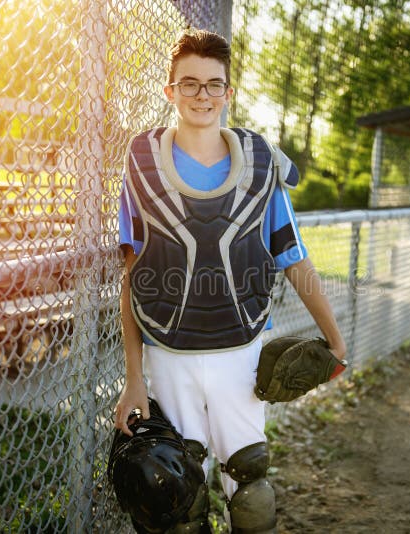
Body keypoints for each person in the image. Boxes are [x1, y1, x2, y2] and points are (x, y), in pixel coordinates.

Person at [114, 28, 346, 533]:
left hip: (239, 352)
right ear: (169, 91)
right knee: (178, 495)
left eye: (213, 84)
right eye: (190, 84)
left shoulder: (260, 165)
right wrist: (134, 378)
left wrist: (335, 338)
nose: (202, 95)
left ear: (229, 93)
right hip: (169, 354)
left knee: (250, 484)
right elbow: (131, 275)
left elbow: (294, 257)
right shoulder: (142, 162)